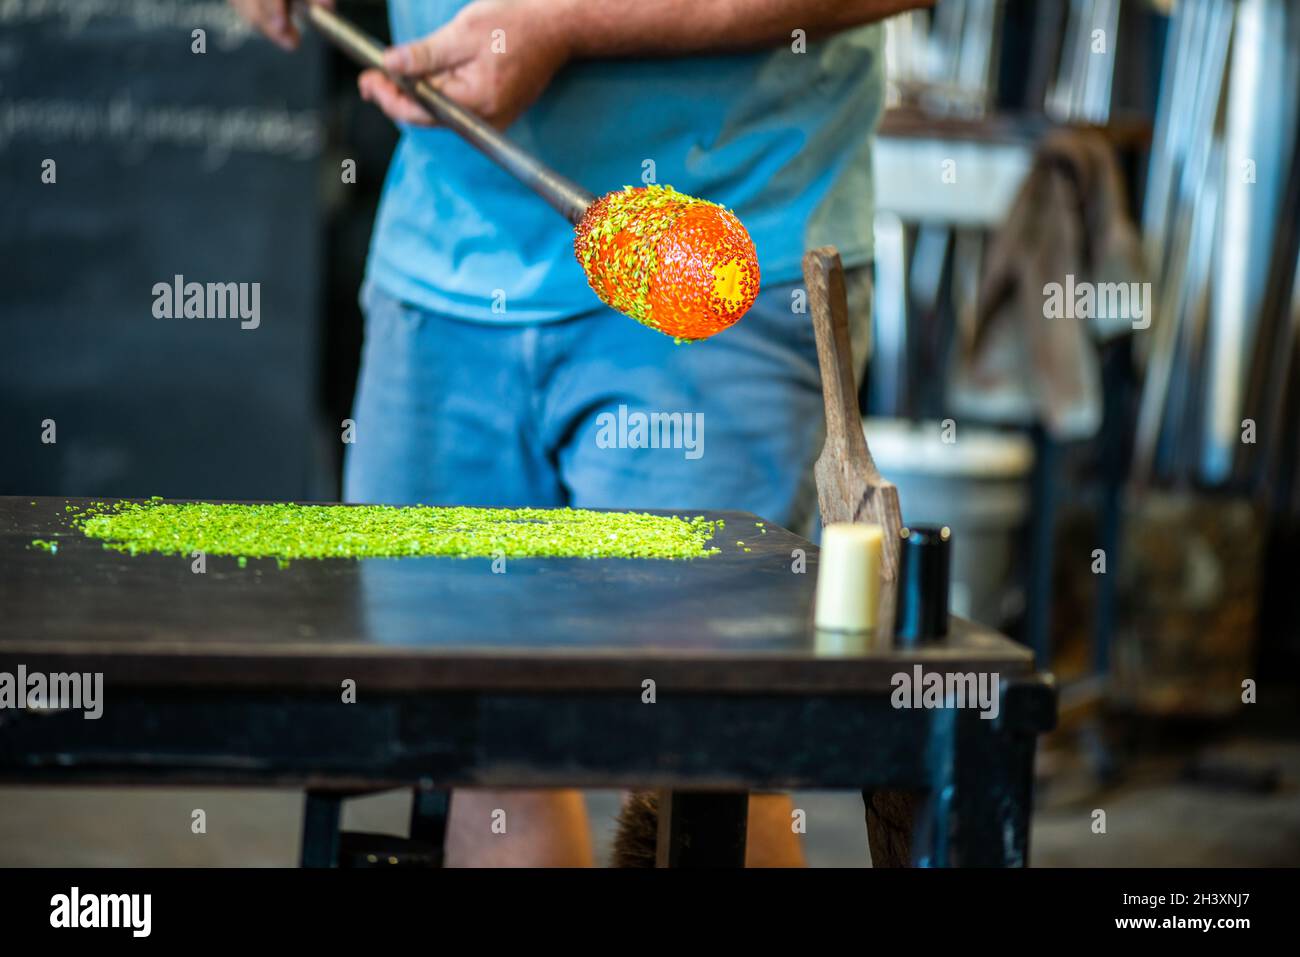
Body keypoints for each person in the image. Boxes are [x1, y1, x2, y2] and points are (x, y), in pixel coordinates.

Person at [230, 0, 930, 866]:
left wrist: (564, 22)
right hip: (449, 248)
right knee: (487, 750)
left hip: (717, 250)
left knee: (702, 768)